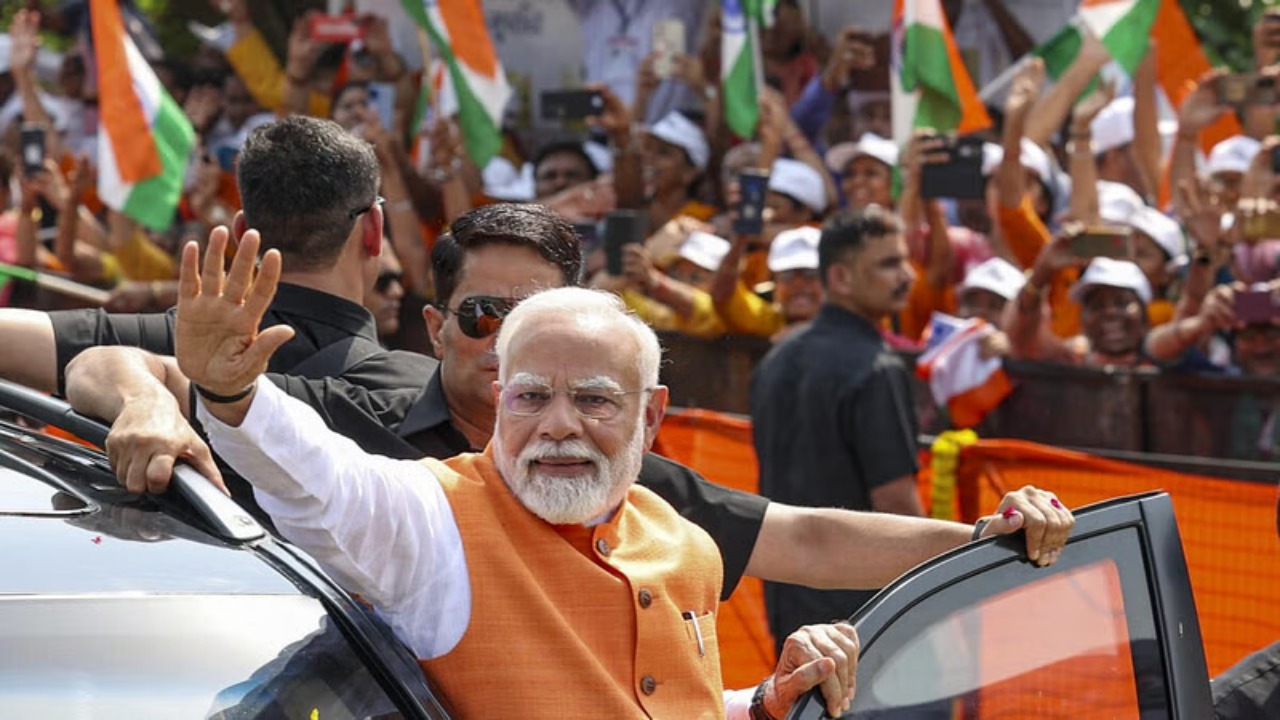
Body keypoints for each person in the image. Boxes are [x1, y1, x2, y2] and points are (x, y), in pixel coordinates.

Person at [66, 203, 1073, 610]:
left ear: (644, 415)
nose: (549, 411)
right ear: (435, 324)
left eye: (583, 387)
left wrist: (987, 540)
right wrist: (165, 406)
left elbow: (803, 540)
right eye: (485, 319)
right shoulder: (372, 455)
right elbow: (167, 378)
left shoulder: (632, 495)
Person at [174, 232, 861, 719]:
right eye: (532, 397)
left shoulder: (684, 544)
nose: (558, 424)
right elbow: (319, 479)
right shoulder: (435, 522)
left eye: (593, 399)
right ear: (503, 402)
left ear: (650, 418)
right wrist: (235, 397)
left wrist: (769, 701)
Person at [749, 206, 1036, 650]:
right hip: (868, 623)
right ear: (841, 278)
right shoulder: (875, 369)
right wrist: (935, 606)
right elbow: (897, 506)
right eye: (886, 263)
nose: (905, 275)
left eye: (904, 260)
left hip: (791, 611)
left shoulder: (774, 362)